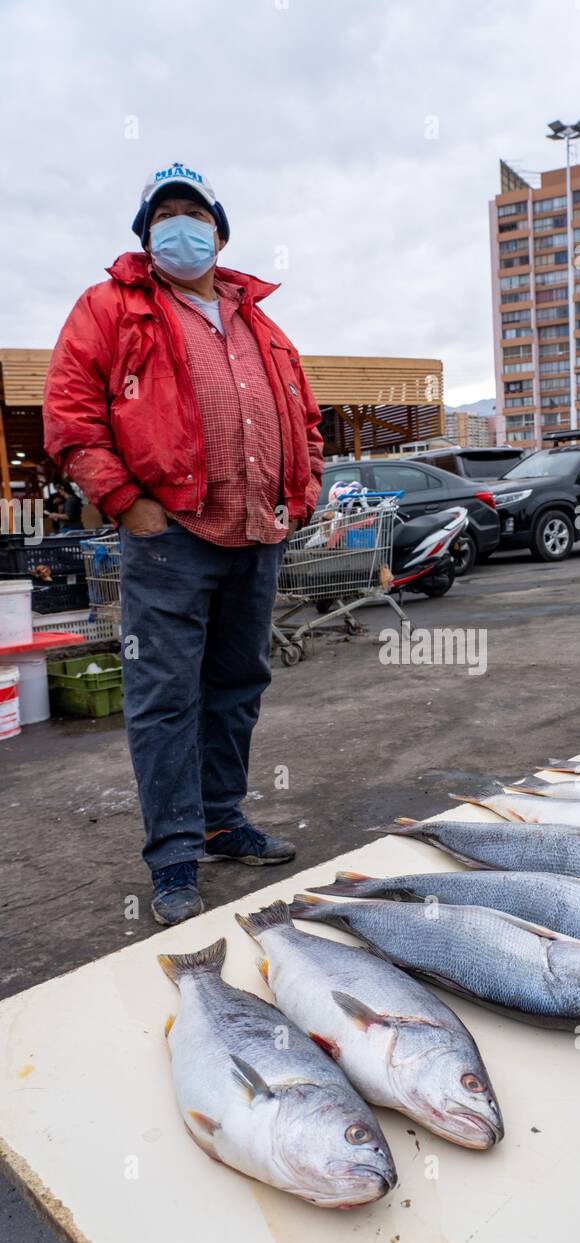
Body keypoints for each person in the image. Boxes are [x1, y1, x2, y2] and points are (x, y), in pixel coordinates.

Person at [43, 162, 324, 925]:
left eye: (192, 211)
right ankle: (173, 858)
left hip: (256, 534)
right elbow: (70, 414)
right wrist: (127, 503)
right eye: (162, 214)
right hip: (170, 537)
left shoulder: (259, 321)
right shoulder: (111, 307)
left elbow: (304, 418)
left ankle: (223, 820)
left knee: (237, 686)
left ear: (219, 230)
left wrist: (304, 493)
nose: (179, 224)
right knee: (166, 699)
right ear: (144, 236)